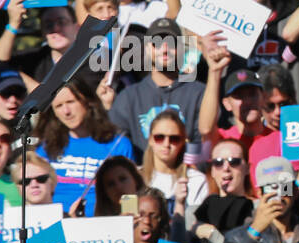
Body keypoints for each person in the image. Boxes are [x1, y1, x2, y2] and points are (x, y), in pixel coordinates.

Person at [108, 19, 206, 157]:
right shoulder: (129, 96)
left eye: (171, 43)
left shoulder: (199, 93)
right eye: (157, 43)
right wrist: (105, 107)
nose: (164, 49)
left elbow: (203, 142)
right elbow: (116, 147)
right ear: (147, 48)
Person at [36, 80, 133, 217]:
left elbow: (130, 191)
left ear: (88, 101)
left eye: (71, 102)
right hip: (55, 222)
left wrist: (129, 218)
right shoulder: (45, 147)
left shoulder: (118, 143)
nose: (66, 111)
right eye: (58, 106)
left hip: (103, 222)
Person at [140, 110, 207, 228]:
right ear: (150, 139)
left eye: (174, 139)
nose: (166, 144)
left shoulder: (196, 180)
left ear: (182, 142)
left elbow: (195, 225)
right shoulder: (135, 177)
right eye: (159, 137)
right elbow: (127, 218)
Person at [193, 138, 253, 243]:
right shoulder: (194, 213)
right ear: (212, 171)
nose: (226, 168)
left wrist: (214, 236)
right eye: (218, 162)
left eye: (234, 162)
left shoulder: (258, 210)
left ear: (247, 168)